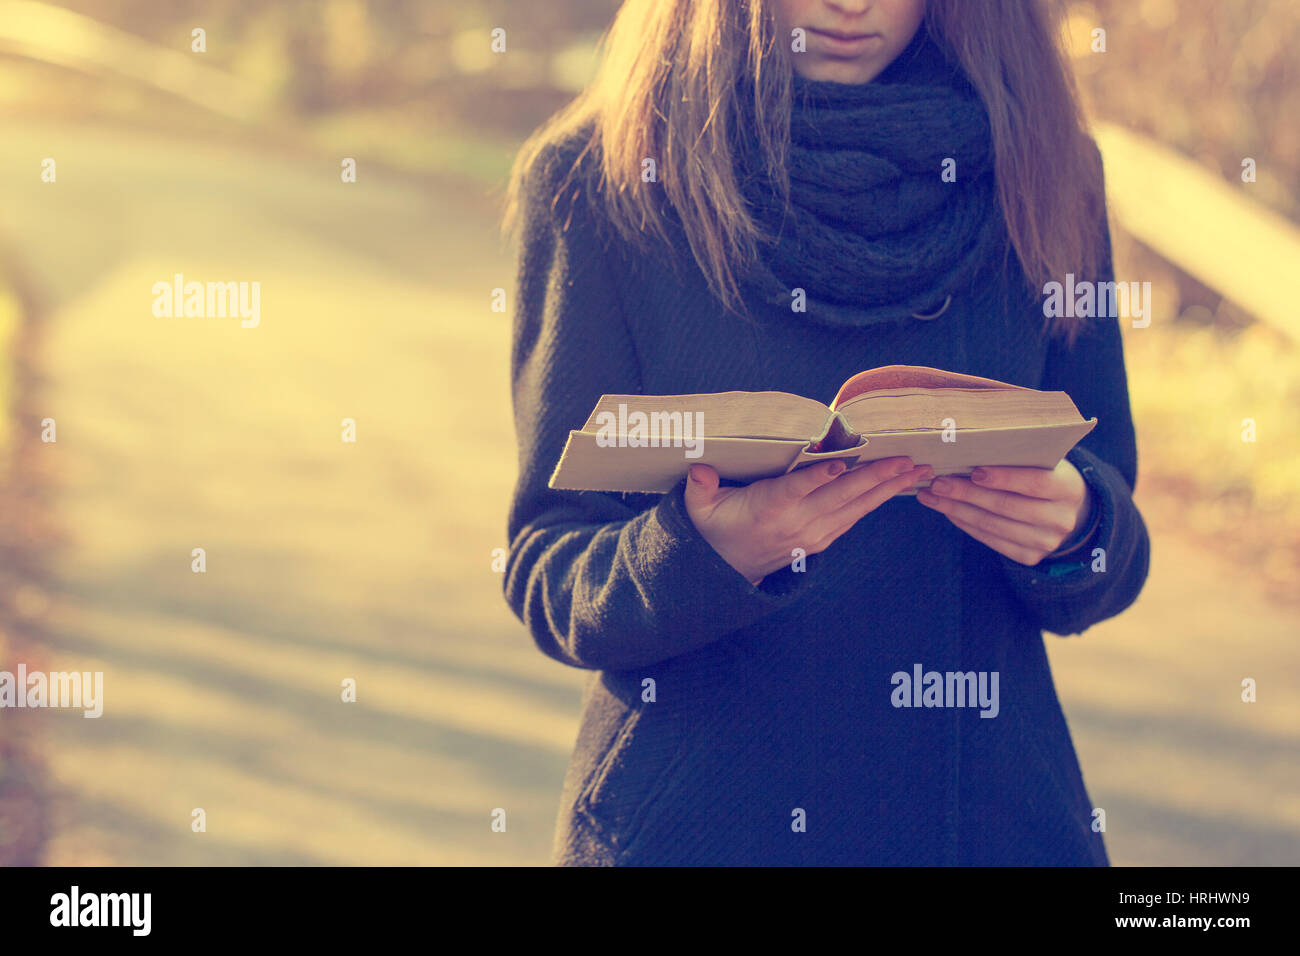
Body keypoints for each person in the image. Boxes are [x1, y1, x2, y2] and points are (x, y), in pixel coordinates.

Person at [501, 0, 1150, 865]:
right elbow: (549, 566)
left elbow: (1116, 545)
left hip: (984, 823)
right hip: (697, 828)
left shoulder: (1046, 169)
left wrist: (1077, 529)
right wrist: (705, 554)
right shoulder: (600, 176)